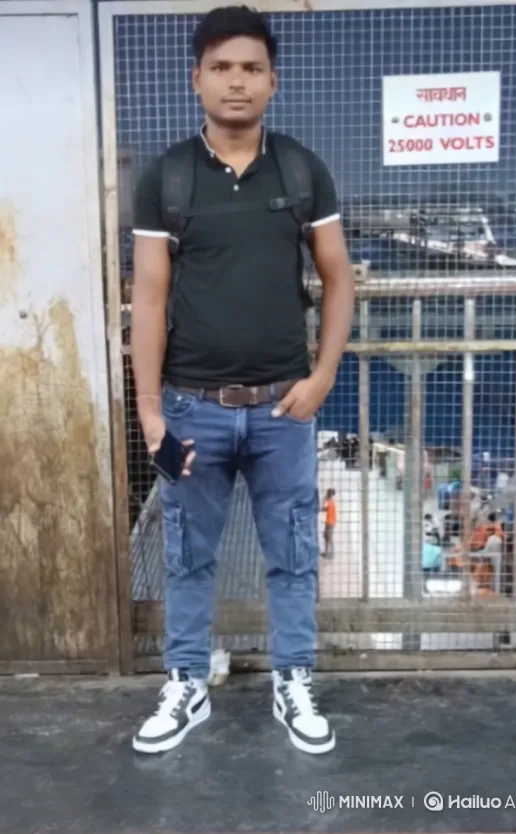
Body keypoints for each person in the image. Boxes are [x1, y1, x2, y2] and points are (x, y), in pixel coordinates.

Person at [130, 6, 354, 756]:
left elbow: (338, 279)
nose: (237, 81)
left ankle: (294, 680)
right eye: (222, 67)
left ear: (272, 81)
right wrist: (152, 415)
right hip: (190, 408)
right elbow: (150, 300)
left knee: (292, 554)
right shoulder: (167, 178)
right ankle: (187, 684)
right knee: (187, 554)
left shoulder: (301, 170)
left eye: (252, 68)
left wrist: (322, 377)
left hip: (284, 410)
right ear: (196, 78)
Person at [321, 488, 337, 558]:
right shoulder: (331, 501)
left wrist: (323, 500)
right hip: (329, 522)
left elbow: (323, 508)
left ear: (330, 494)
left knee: (329, 538)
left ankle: (332, 554)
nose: (326, 494)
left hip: (331, 523)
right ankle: (326, 552)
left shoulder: (330, 502)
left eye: (327, 493)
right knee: (326, 537)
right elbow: (324, 509)